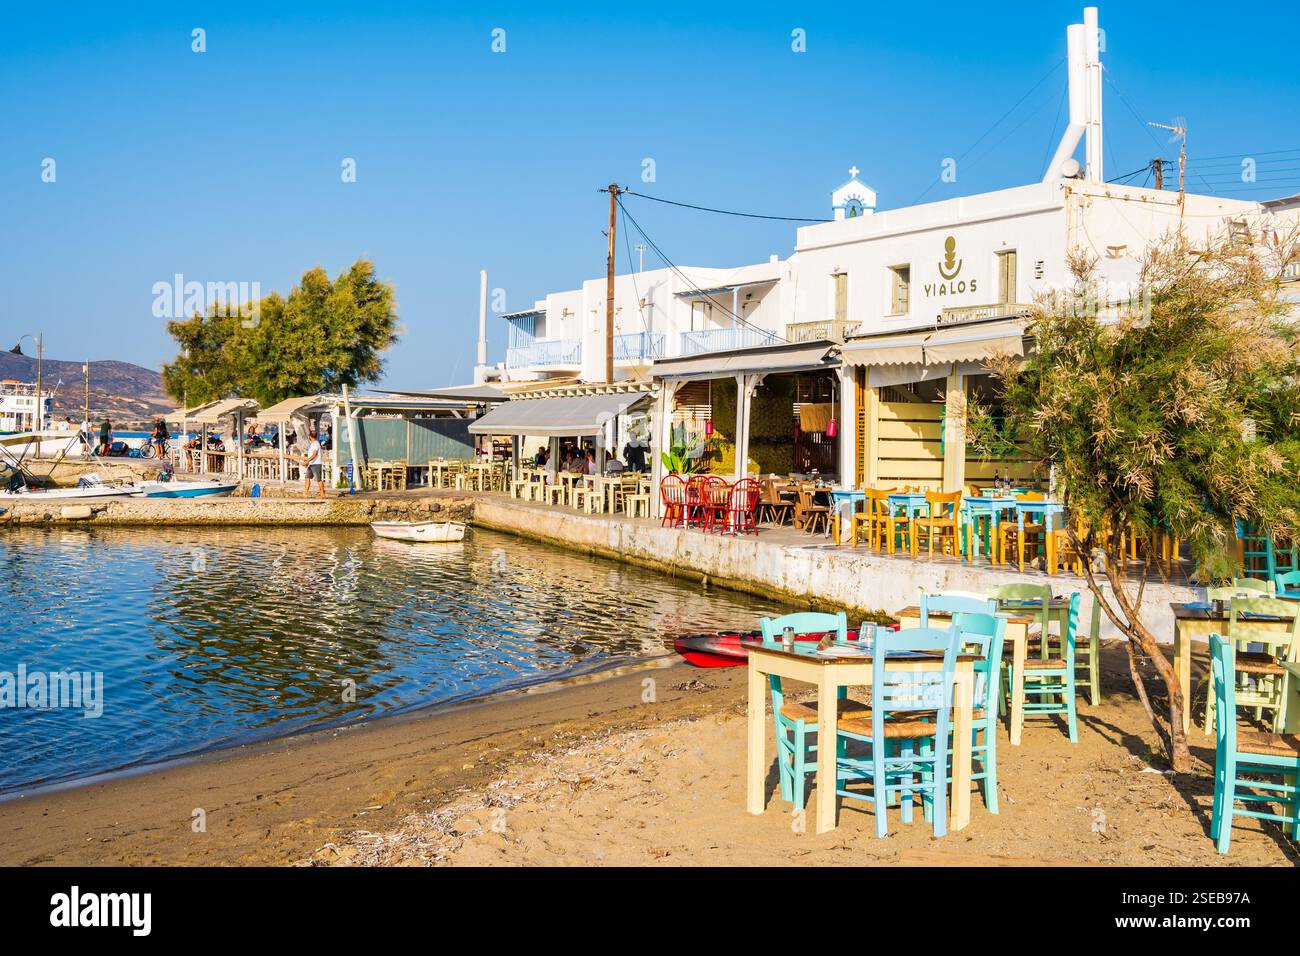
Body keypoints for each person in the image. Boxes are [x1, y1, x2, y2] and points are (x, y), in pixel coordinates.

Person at [301, 428, 326, 498]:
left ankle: (322, 493)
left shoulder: (316, 444)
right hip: (311, 464)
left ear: (310, 437)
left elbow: (314, 454)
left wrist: (307, 461)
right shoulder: (312, 444)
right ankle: (305, 493)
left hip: (316, 464)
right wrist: (308, 462)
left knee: (319, 479)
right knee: (307, 478)